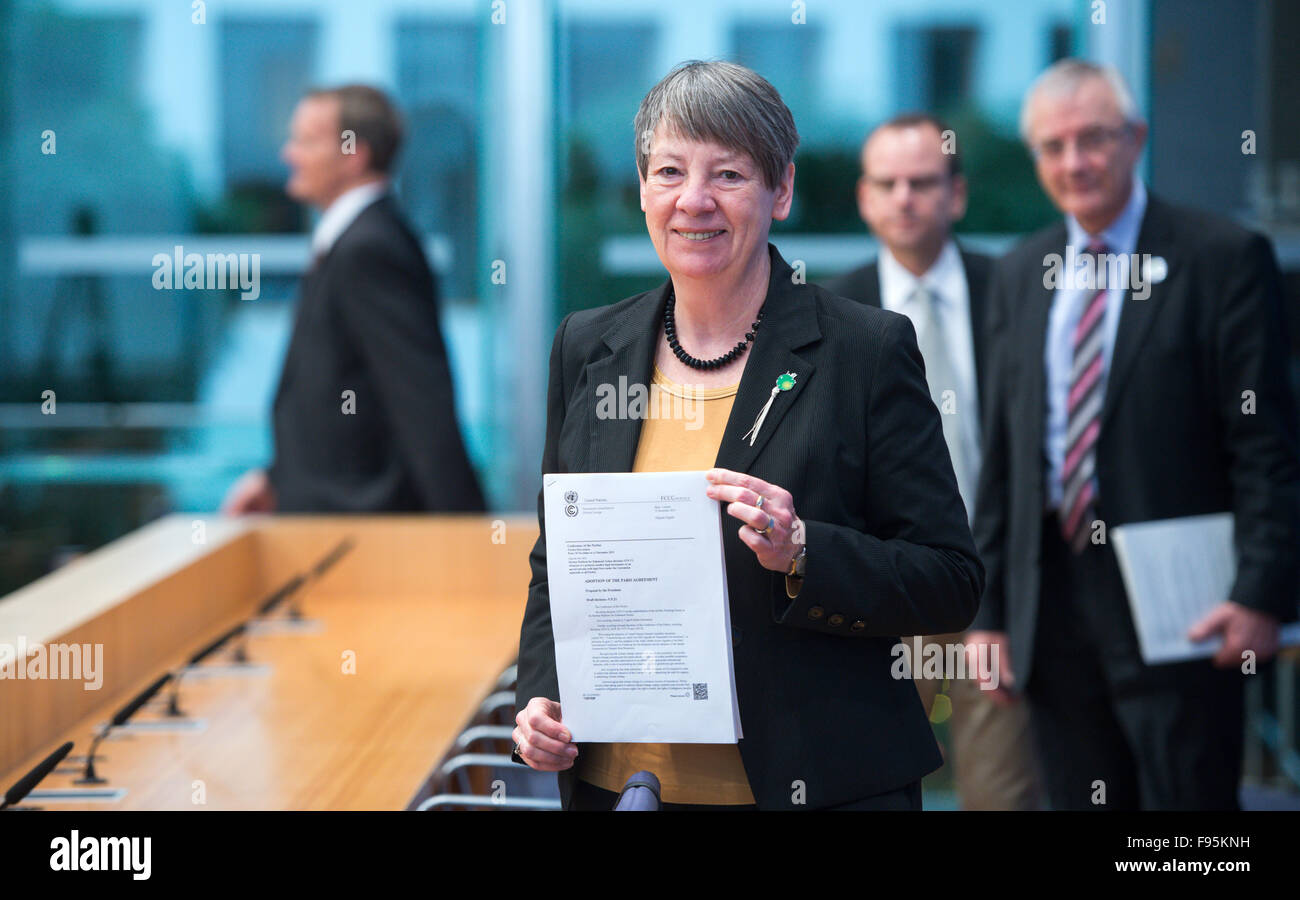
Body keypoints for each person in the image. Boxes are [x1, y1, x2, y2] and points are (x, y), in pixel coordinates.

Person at [512, 60, 983, 810]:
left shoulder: (865, 350)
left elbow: (951, 580)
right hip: (622, 788)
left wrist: (804, 552)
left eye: (728, 174)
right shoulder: (586, 346)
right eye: (669, 170)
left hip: (815, 781)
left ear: (781, 190)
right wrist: (539, 694)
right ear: (642, 189)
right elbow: (556, 565)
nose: (692, 201)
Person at [969, 59, 1299, 809]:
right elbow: (1004, 462)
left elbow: (1266, 447)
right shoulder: (1022, 271)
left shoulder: (1221, 259)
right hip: (1051, 608)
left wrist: (1260, 594)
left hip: (1185, 608)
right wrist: (988, 614)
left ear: (1136, 138)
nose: (1075, 161)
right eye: (1054, 146)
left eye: (1094, 139)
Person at [824, 113, 1042, 811]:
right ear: (864, 198)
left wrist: (1010, 590)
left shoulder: (1013, 289)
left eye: (923, 182)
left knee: (1003, 794)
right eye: (888, 184)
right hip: (884, 592)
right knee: (872, 792)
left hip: (992, 589)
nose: (905, 198)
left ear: (958, 193)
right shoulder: (826, 309)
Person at [221, 85, 485, 515]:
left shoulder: (370, 248)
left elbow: (421, 400)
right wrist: (277, 479)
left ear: (353, 154)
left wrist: (472, 539)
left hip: (362, 531)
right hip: (332, 519)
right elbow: (337, 393)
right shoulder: (352, 242)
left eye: (305, 141)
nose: (289, 154)